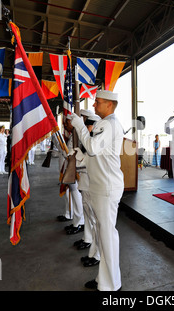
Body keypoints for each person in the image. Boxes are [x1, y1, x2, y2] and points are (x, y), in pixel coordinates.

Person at [68, 90, 124, 291]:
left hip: (106, 187)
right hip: (101, 185)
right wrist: (79, 157)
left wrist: (79, 125)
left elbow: (91, 147)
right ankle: (105, 281)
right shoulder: (105, 124)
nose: (94, 105)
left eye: (97, 102)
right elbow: (96, 155)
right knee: (103, 234)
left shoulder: (108, 124)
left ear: (109, 105)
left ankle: (111, 284)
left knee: (107, 236)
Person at [71, 110, 101, 267]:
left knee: (95, 222)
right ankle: (91, 248)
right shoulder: (88, 141)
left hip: (92, 185)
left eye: (87, 125)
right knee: (89, 218)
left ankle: (97, 255)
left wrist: (76, 159)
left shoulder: (94, 143)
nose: (86, 128)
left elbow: (87, 164)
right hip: (85, 184)